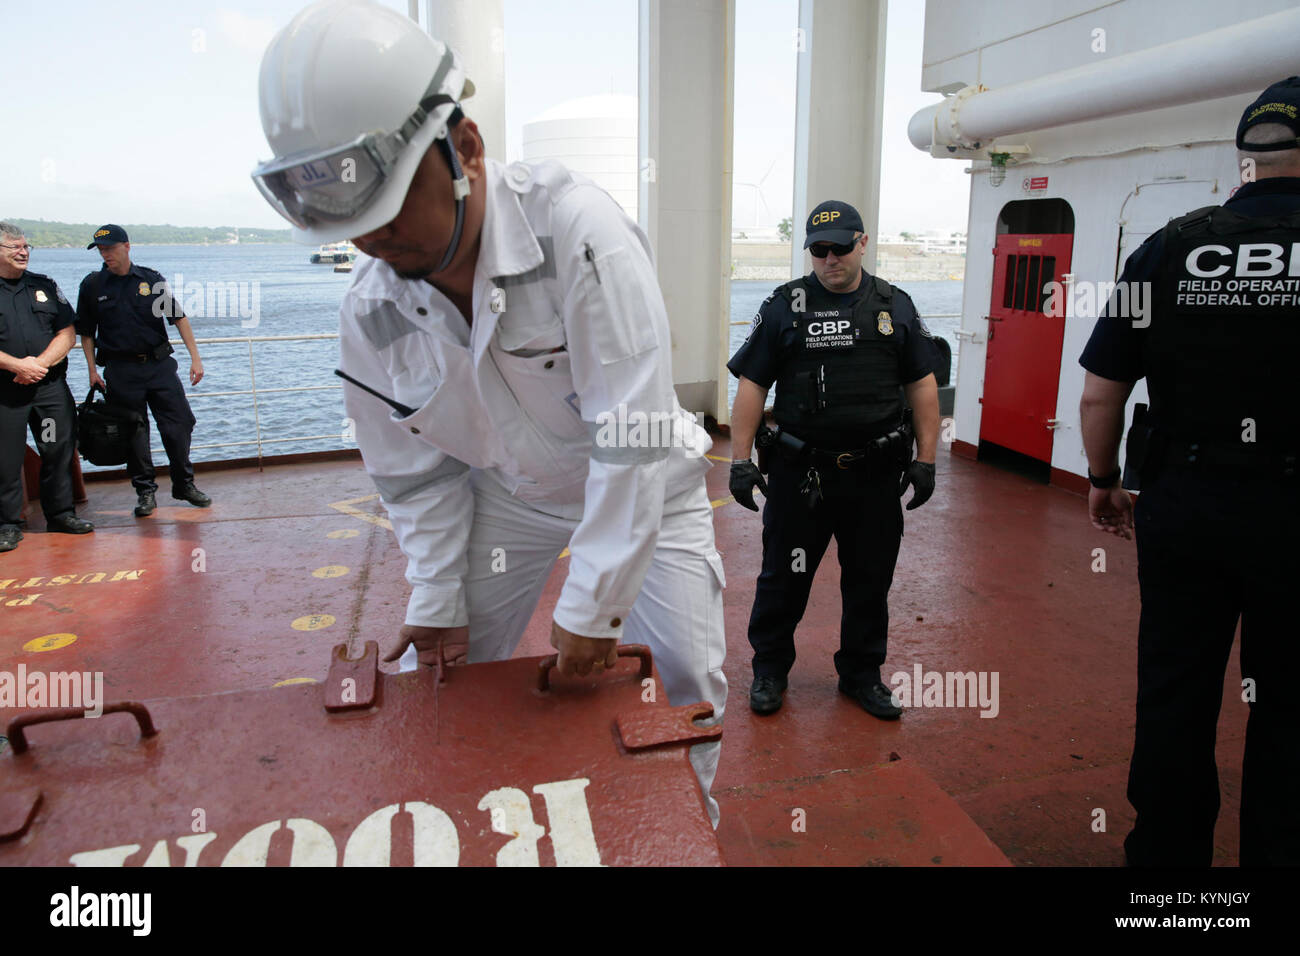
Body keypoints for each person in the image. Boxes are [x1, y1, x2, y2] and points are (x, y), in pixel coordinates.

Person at [251, 0, 726, 822]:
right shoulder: (371, 309)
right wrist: (435, 592)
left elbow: (634, 433)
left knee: (685, 683)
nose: (374, 243)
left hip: (652, 480)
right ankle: (464, 825)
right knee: (444, 663)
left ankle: (682, 832)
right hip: (512, 496)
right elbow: (414, 474)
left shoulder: (580, 231)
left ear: (464, 147)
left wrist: (596, 602)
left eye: (391, 210)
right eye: (353, 225)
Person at [1079, 76, 1300, 868]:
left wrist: (1103, 478)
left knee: (1176, 687)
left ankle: (1171, 882)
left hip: (1188, 506)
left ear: (1246, 156)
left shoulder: (1171, 245)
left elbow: (1102, 391)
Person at [727, 200, 940, 718]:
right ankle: (770, 670)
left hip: (874, 475)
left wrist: (927, 459)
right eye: (819, 250)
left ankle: (861, 676)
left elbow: (923, 386)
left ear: (862, 243)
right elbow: (753, 384)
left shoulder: (895, 307)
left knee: (870, 578)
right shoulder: (785, 306)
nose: (829, 259)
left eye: (840, 248)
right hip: (802, 474)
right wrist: (739, 460)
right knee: (784, 576)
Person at [76, 225, 210, 516]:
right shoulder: (93, 285)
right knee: (134, 433)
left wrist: (195, 358)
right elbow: (86, 333)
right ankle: (145, 492)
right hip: (120, 370)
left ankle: (184, 484)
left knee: (180, 424)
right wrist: (91, 370)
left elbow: (179, 318)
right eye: (100, 250)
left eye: (110, 248)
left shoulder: (151, 279)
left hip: (159, 366)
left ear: (126, 246)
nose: (105, 254)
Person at [0, 223, 94, 551]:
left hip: (47, 392)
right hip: (6, 394)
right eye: (14, 248)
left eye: (26, 246)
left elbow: (66, 333)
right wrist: (16, 365)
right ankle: (7, 524)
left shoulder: (44, 286)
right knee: (6, 457)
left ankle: (61, 514)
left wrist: (36, 366)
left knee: (55, 449)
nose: (23, 252)